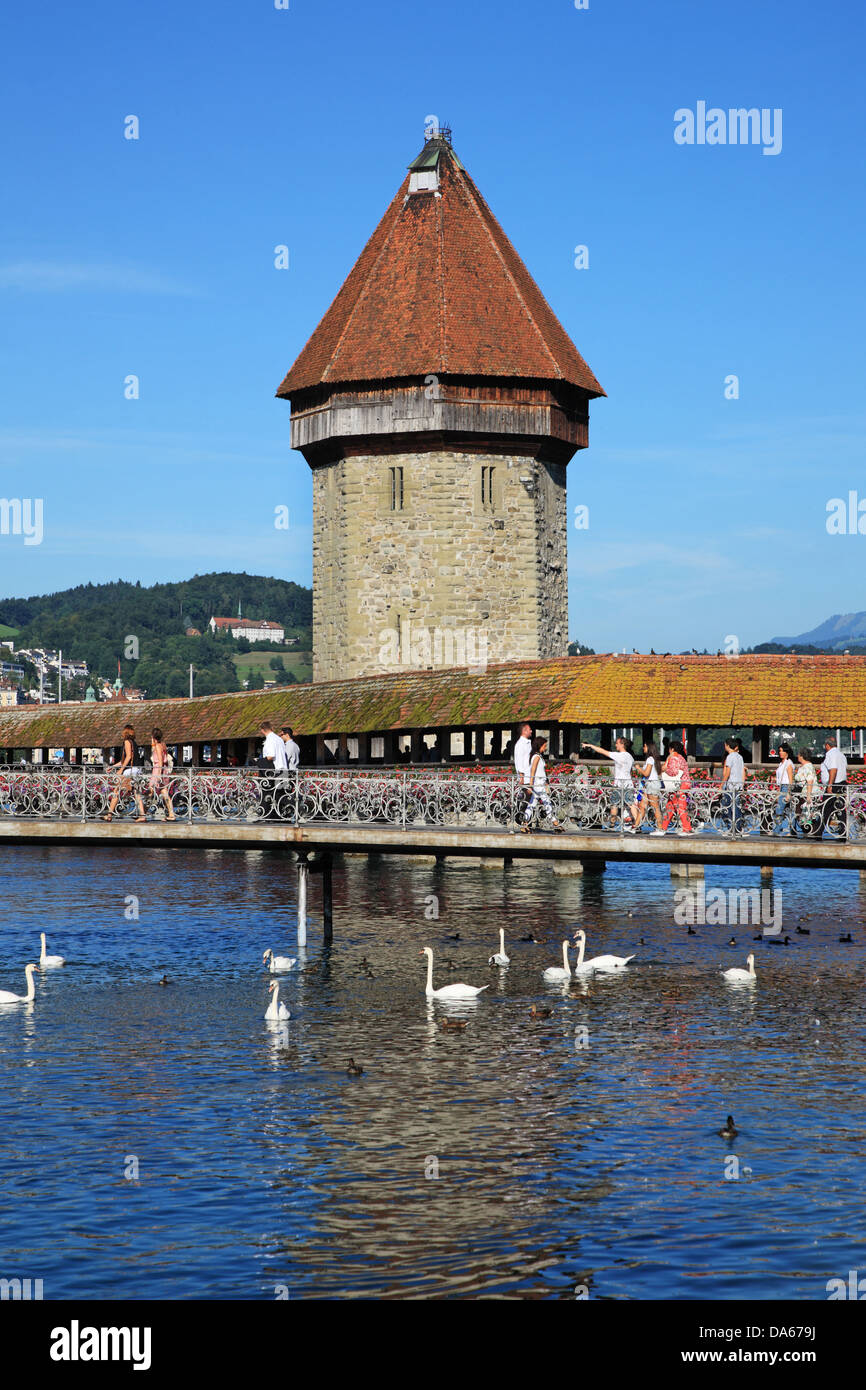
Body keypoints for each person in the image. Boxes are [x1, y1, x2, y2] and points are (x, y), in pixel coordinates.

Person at [583, 736, 635, 828]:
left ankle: (612, 824)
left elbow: (602, 751)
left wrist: (590, 745)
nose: (616, 745)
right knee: (631, 804)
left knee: (614, 804)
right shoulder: (630, 757)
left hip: (619, 784)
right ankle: (636, 823)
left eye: (617, 743)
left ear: (622, 744)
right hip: (628, 784)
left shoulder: (619, 755)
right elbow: (630, 772)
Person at [519, 736, 565, 833]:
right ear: (540, 746)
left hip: (540, 783)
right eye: (544, 746)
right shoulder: (536, 757)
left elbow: (540, 771)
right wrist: (531, 784)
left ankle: (524, 824)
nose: (546, 748)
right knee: (547, 801)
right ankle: (555, 823)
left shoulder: (538, 756)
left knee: (532, 804)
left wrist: (546, 782)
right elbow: (533, 770)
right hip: (538, 784)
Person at [102, 723, 145, 822]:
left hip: (129, 770)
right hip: (136, 769)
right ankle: (142, 815)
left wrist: (121, 770)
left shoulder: (126, 742)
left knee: (116, 791)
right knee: (136, 792)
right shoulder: (134, 743)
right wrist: (113, 767)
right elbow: (124, 760)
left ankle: (109, 815)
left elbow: (128, 757)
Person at [653, 740, 692, 836]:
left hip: (678, 785)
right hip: (682, 784)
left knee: (680, 807)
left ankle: (687, 829)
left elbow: (674, 772)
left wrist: (664, 770)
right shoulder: (681, 757)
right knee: (669, 807)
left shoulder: (673, 758)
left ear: (672, 749)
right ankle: (663, 828)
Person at [628, 741, 663, 833]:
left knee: (655, 807)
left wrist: (638, 768)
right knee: (642, 806)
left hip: (651, 784)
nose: (643, 748)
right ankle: (636, 826)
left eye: (644, 746)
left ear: (648, 748)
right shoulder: (653, 759)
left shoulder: (650, 759)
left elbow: (646, 773)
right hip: (649, 785)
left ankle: (660, 828)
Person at [258, 721, 288, 819]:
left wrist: (259, 761)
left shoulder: (270, 740)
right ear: (271, 728)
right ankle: (281, 817)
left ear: (262, 730)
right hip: (284, 769)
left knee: (271, 794)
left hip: (276, 770)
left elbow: (270, 756)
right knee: (281, 795)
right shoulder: (279, 739)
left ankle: (269, 816)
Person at [819, 737, 848, 837]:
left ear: (827, 745)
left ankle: (818, 832)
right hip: (842, 784)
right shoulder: (841, 755)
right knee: (840, 810)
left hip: (834, 785)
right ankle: (843, 833)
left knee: (825, 809)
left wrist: (830, 785)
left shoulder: (831, 754)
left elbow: (833, 770)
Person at [148, 726, 176, 822]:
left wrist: (159, 774)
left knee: (150, 789)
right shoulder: (163, 745)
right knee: (164, 792)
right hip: (163, 769)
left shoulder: (158, 746)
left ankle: (141, 811)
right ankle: (171, 813)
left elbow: (160, 760)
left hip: (158, 770)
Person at [718, 735, 745, 833]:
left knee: (727, 807)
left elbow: (727, 773)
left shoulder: (729, 757)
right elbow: (742, 771)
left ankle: (732, 827)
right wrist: (743, 784)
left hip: (731, 784)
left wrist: (721, 785)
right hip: (738, 784)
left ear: (727, 746)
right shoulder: (740, 757)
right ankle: (737, 828)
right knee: (736, 807)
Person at [792, 748, 819, 837]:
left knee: (808, 815)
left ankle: (811, 832)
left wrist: (808, 796)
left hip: (807, 794)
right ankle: (807, 832)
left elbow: (810, 781)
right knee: (802, 815)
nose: (798, 757)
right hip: (802, 794)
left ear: (802, 756)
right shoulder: (802, 767)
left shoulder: (808, 767)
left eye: (799, 755)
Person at [772, 742, 794, 835]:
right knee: (787, 810)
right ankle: (792, 830)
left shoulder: (788, 763)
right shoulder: (782, 763)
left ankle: (777, 830)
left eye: (782, 751)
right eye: (779, 751)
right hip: (781, 787)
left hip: (785, 787)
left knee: (779, 809)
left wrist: (789, 792)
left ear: (786, 752)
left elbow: (790, 779)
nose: (780, 752)